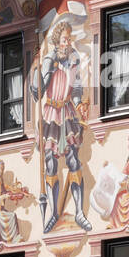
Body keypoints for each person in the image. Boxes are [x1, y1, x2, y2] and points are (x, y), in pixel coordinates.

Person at [30, 21, 91, 232]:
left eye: (70, 38)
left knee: (74, 159)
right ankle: (54, 213)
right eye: (65, 38)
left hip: (67, 111)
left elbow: (75, 86)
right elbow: (36, 91)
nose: (68, 42)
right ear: (57, 40)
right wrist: (40, 71)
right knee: (50, 163)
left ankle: (79, 212)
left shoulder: (73, 58)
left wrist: (78, 102)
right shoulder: (49, 58)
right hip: (51, 113)